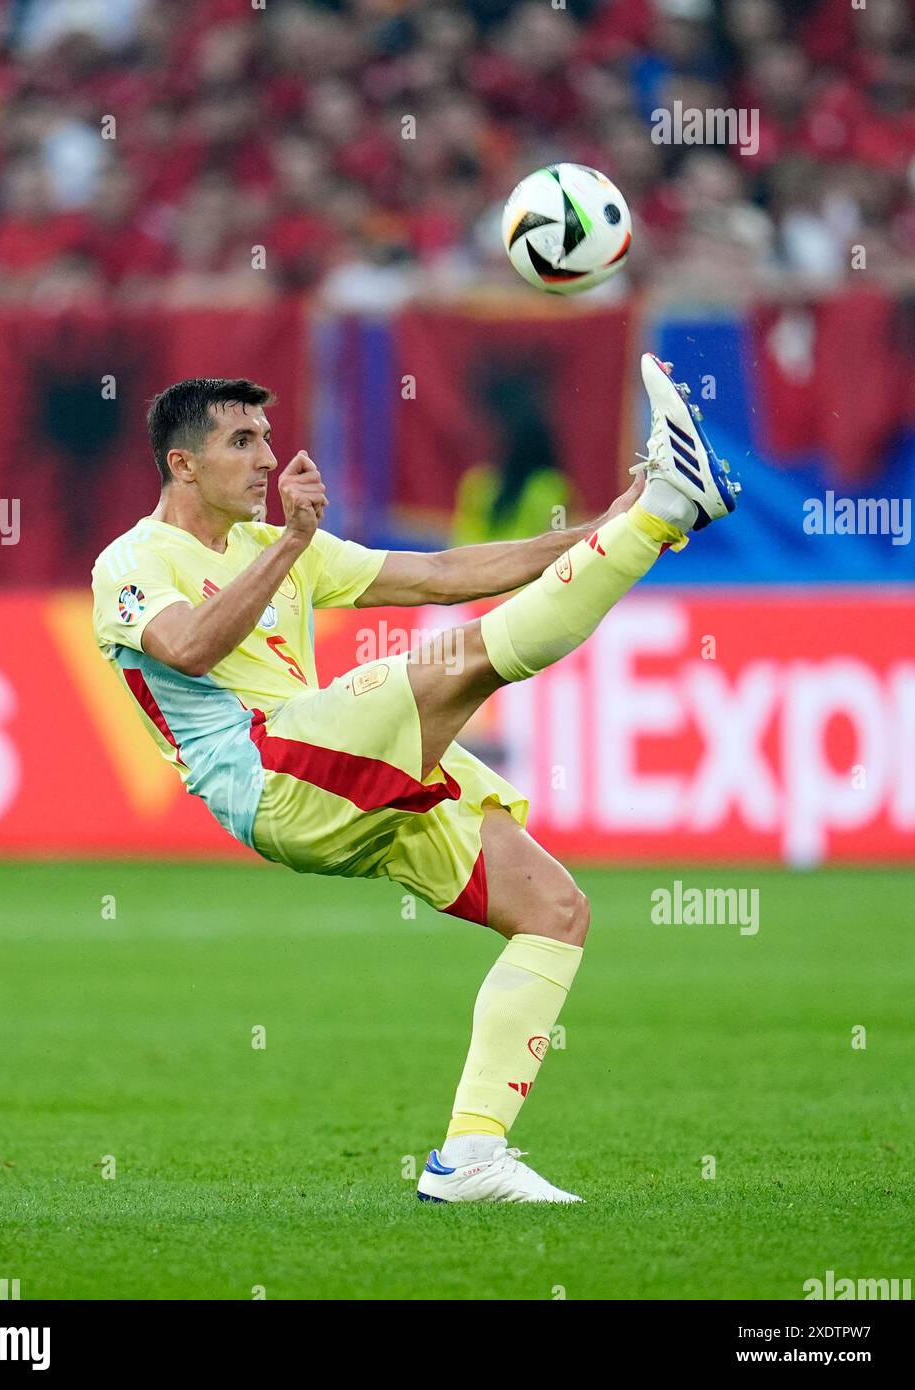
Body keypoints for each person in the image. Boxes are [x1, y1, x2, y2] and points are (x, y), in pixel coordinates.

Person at [91, 353, 738, 1204]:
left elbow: (444, 574)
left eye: (267, 438)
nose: (265, 460)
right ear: (182, 463)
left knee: (553, 909)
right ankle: (661, 516)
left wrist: (601, 527)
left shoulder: (269, 547)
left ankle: (469, 1159)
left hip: (331, 767)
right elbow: (188, 647)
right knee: (463, 663)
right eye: (242, 441)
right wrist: (292, 542)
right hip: (271, 773)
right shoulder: (132, 561)